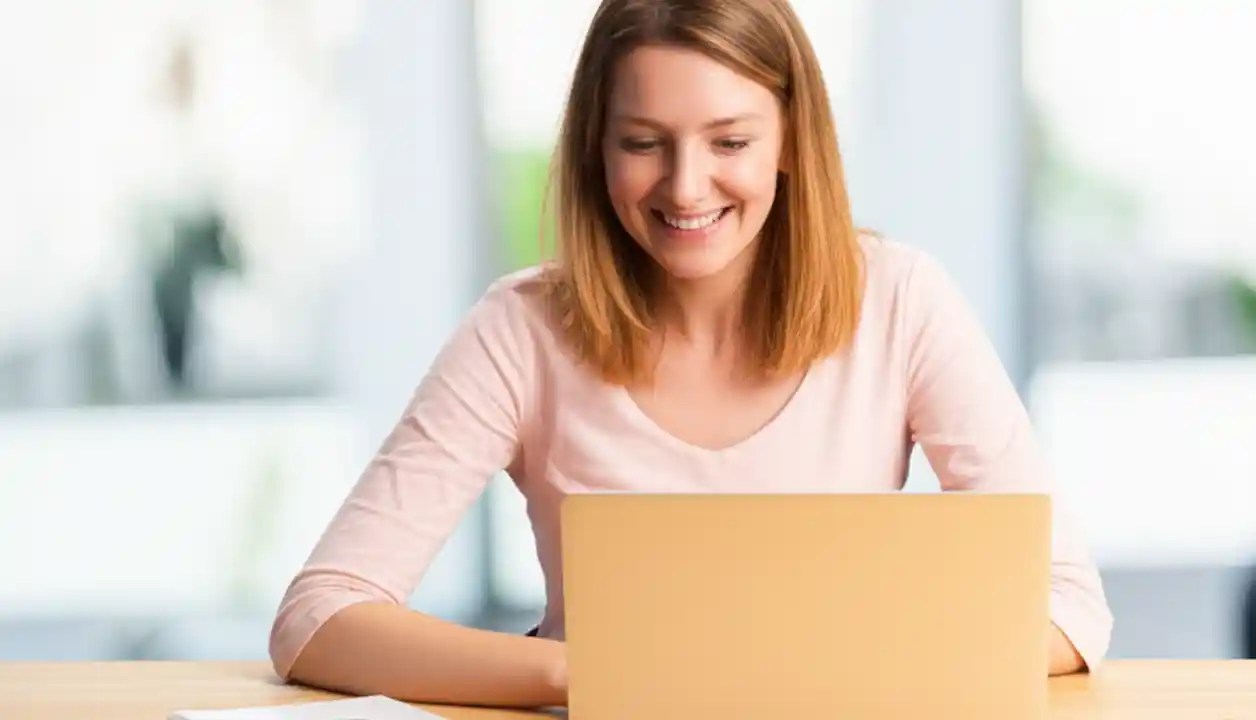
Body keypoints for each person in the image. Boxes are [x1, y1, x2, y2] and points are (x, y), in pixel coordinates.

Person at [268, 0, 1113, 708]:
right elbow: (319, 617)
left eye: (730, 142)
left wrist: (840, 671)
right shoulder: (521, 330)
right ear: (596, 148)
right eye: (642, 143)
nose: (685, 186)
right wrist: (584, 672)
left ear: (791, 140)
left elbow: (1070, 608)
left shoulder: (899, 300)